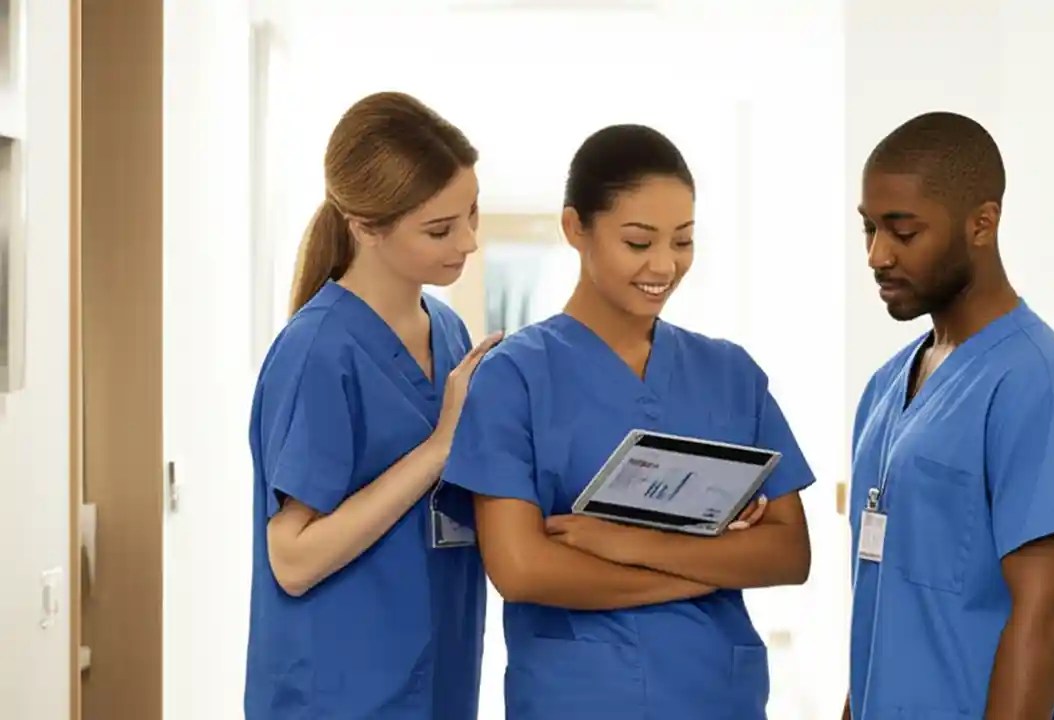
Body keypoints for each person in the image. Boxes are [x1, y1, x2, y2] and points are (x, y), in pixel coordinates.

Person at [436, 124, 814, 719]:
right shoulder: (514, 376)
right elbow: (522, 568)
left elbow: (788, 552)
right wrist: (707, 568)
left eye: (683, 240)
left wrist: (626, 543)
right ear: (574, 228)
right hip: (579, 699)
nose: (664, 264)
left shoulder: (730, 374)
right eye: (638, 242)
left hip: (716, 696)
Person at [243, 91, 501, 720]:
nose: (468, 241)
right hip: (338, 692)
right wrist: (438, 448)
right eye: (440, 229)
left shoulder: (448, 333)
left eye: (471, 213)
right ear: (365, 227)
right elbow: (293, 559)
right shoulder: (318, 351)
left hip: (436, 676)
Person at [843, 111, 1054, 719]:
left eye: (903, 232)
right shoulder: (886, 387)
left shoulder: (1037, 384)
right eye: (869, 229)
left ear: (982, 224)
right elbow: (885, 609)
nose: (878, 255)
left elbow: (1049, 615)